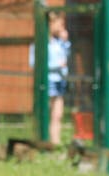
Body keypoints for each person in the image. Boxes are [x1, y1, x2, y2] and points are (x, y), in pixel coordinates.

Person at [47, 12, 71, 146]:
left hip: (60, 80)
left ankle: (56, 143)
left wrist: (65, 41)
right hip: (48, 80)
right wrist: (56, 66)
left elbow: (66, 55)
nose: (62, 27)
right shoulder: (42, 43)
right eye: (60, 24)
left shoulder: (59, 42)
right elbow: (35, 63)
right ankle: (46, 141)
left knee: (58, 114)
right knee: (48, 113)